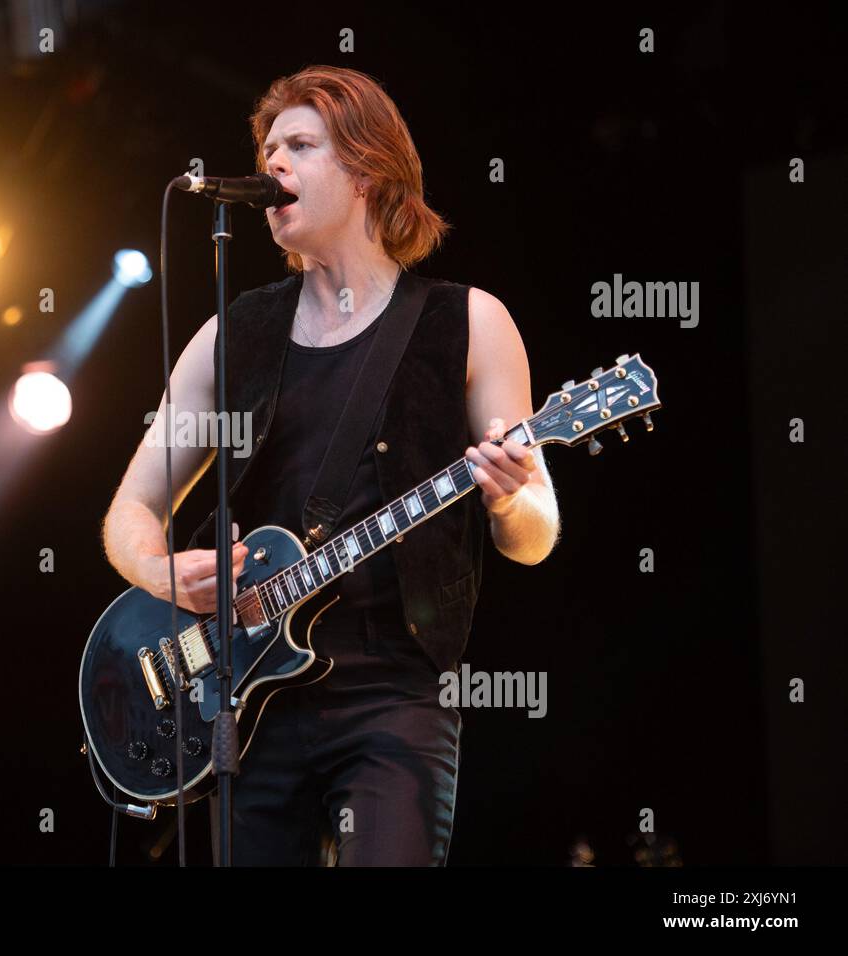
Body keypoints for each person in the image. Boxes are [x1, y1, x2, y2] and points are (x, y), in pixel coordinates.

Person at [100, 65, 560, 865]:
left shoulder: (469, 324)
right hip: (242, 707)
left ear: (368, 171)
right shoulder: (231, 335)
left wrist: (512, 499)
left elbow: (535, 537)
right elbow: (129, 511)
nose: (273, 162)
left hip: (395, 696)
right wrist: (159, 572)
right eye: (268, 146)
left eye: (301, 145)